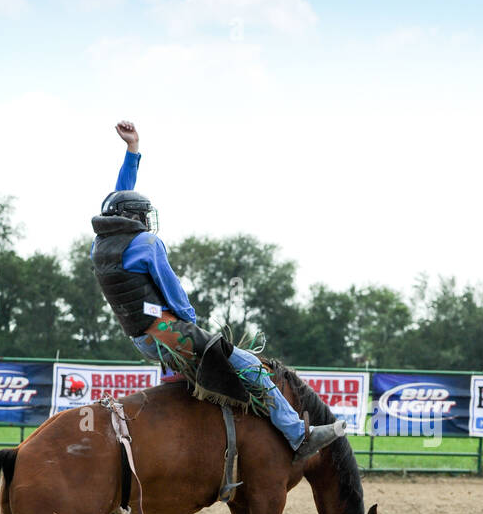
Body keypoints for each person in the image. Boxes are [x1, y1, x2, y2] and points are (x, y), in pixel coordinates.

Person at [90, 121, 344, 461]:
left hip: (140, 336)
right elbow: (175, 292)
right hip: (167, 331)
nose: (146, 220)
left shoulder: (102, 245)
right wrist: (195, 328)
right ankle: (299, 435)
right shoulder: (147, 243)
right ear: (136, 219)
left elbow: (119, 199)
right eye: (142, 215)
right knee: (248, 364)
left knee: (215, 371)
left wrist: (132, 151)